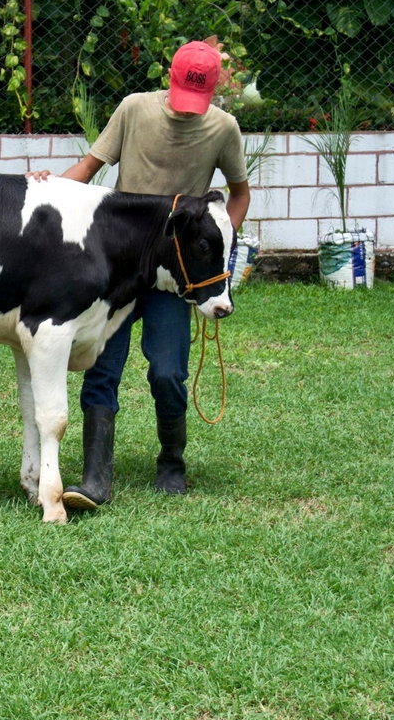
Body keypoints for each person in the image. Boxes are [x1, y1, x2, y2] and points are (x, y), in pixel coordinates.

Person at [29, 39, 251, 509]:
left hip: (175, 274)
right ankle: (95, 478)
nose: (188, 110)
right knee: (101, 366)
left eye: (198, 101)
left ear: (212, 92)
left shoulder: (223, 129)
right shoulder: (134, 110)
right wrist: (46, 193)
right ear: (168, 78)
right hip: (120, 267)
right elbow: (89, 168)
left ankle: (172, 461)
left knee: (168, 372)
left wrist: (218, 247)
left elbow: (239, 192)